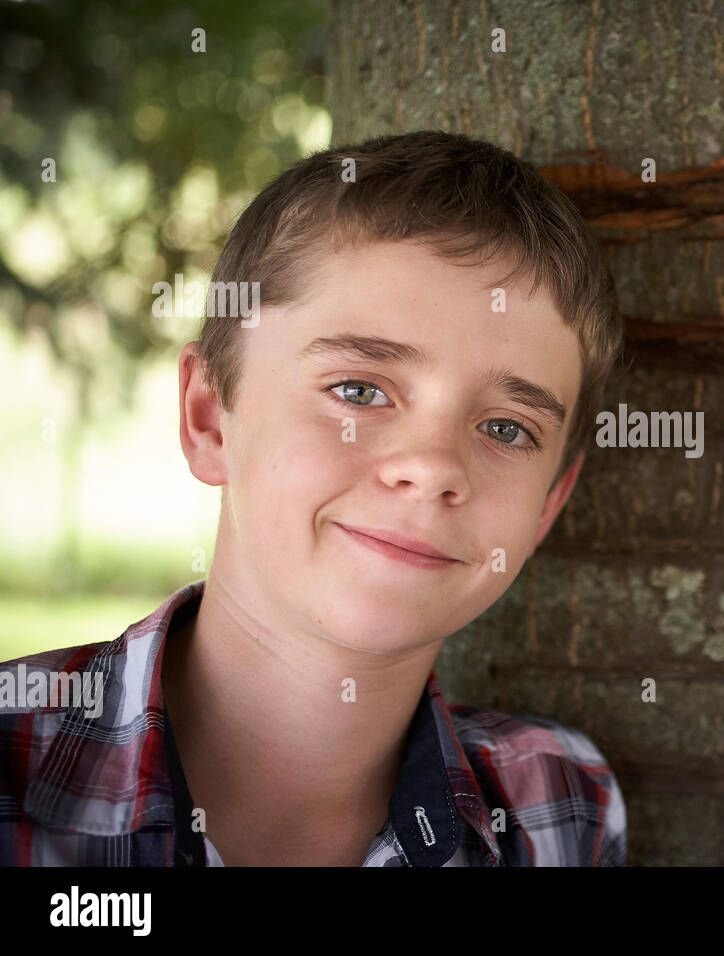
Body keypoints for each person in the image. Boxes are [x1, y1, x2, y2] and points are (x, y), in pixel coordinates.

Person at [0, 130, 628, 866]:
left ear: (549, 503)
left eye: (506, 428)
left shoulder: (557, 809)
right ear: (209, 417)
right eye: (358, 391)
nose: (430, 468)